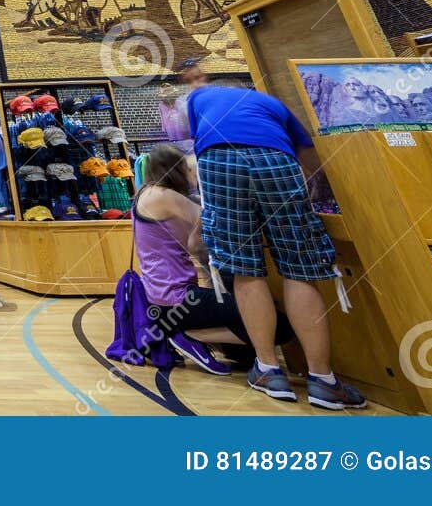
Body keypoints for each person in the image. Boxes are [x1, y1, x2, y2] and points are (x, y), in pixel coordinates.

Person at [176, 64, 367, 410]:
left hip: (220, 159)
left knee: (245, 268)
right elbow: (310, 156)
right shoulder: (270, 103)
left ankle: (268, 369)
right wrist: (320, 189)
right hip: (277, 158)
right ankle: (323, 380)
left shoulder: (199, 97)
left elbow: (192, 131)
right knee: (299, 269)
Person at [133, 143, 292, 376]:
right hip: (177, 299)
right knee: (279, 324)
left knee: (243, 331)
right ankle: (191, 335)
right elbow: (216, 219)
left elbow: (192, 243)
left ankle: (204, 338)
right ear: (177, 170)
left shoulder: (145, 195)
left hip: (162, 297)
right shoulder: (165, 196)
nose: (191, 174)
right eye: (188, 169)